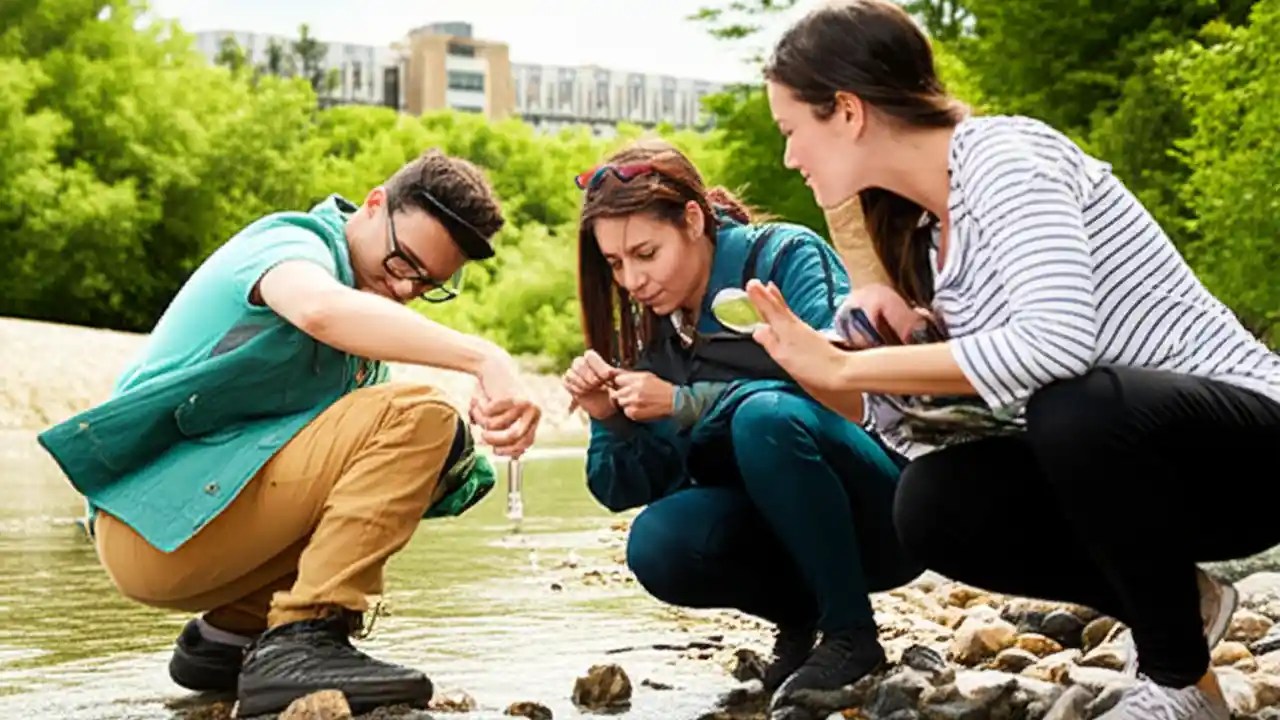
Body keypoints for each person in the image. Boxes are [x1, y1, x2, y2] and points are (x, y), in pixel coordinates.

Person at [746, 2, 1280, 718]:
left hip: (1249, 449)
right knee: (931, 503)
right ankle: (1181, 615)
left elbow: (1056, 343)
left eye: (791, 131)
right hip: (1146, 483)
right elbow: (918, 431)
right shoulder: (923, 239)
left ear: (846, 110)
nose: (789, 157)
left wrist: (852, 371)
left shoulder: (1003, 158)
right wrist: (824, 364)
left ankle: (1174, 680)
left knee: (1075, 408)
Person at [36, 149, 541, 717]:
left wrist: (483, 440)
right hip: (147, 529)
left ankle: (233, 638)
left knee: (439, 440)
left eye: (428, 285)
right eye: (402, 263)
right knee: (421, 415)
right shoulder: (289, 243)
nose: (404, 289)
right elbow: (319, 309)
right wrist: (484, 358)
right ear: (374, 205)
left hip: (198, 541)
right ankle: (301, 642)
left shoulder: (362, 363)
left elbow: (383, 486)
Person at [562, 138, 922, 709]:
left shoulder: (782, 258)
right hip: (781, 530)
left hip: (886, 513)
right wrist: (609, 419)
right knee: (657, 544)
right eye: (615, 263)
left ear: (692, 218)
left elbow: (853, 388)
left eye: (645, 253)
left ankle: (852, 634)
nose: (631, 280)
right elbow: (624, 489)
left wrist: (689, 404)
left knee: (765, 418)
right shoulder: (653, 329)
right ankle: (801, 625)